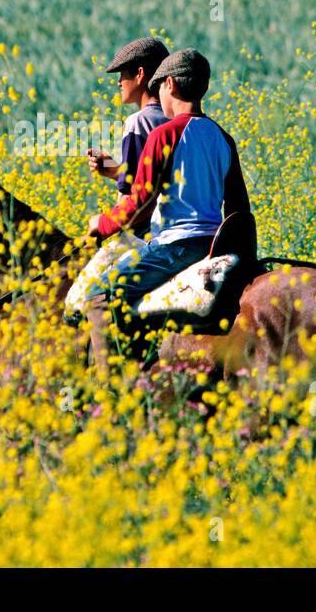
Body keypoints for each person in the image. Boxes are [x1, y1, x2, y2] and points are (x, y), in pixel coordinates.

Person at [82, 48, 251, 366]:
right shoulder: (223, 137)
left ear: (170, 84)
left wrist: (101, 225)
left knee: (98, 295)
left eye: (159, 88)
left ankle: (109, 392)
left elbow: (138, 201)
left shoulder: (164, 135)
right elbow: (239, 207)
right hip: (214, 247)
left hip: (173, 247)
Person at [87, 36, 169, 200]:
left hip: (149, 224)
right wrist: (118, 172)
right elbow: (153, 181)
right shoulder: (178, 120)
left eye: (122, 74)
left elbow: (131, 195)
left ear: (140, 74)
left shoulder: (138, 122)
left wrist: (104, 224)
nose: (119, 82)